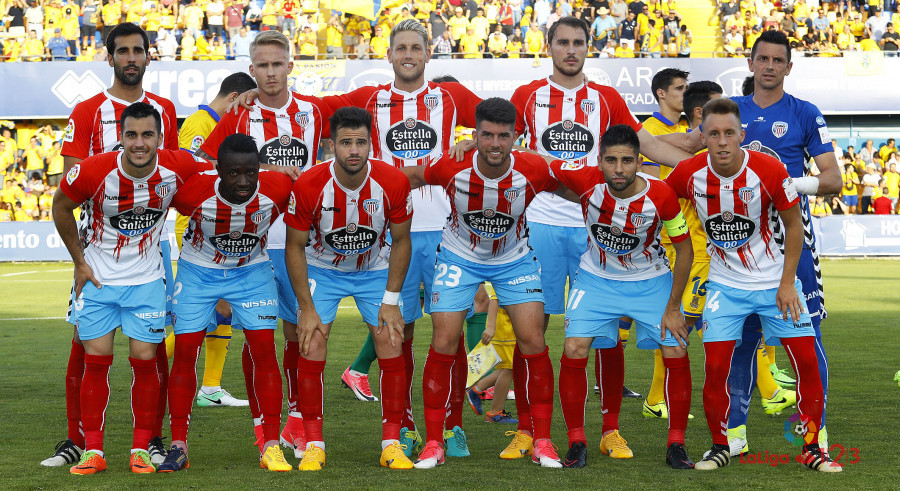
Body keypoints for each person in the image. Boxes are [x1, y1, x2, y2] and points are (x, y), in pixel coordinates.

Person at [504, 16, 694, 460]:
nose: (571, 50)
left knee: (607, 333)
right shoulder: (526, 96)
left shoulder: (605, 98)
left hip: (596, 227)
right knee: (532, 331)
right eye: (563, 42)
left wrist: (692, 163)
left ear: (589, 47)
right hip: (541, 225)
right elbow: (503, 146)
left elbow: (645, 144)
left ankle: (610, 430)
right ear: (548, 45)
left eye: (579, 43)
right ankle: (528, 429)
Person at [320, 19, 482, 458]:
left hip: (448, 231)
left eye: (416, 46)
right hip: (394, 233)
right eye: (401, 47)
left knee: (451, 335)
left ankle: (452, 425)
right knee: (398, 332)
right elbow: (311, 109)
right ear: (389, 55)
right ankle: (406, 425)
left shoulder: (452, 98)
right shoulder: (369, 99)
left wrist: (472, 143)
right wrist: (252, 96)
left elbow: (502, 120)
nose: (408, 54)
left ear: (429, 54)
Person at [666, 97, 840, 472]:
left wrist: (787, 282)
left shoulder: (769, 169)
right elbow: (660, 203)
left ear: (742, 135)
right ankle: (720, 445)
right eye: (714, 134)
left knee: (807, 364)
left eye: (730, 133)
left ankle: (813, 448)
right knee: (716, 368)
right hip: (724, 287)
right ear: (704, 137)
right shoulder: (688, 173)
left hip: (774, 283)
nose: (723, 141)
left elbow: (794, 225)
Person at [41, 22, 179, 470]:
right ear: (110, 57)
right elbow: (72, 181)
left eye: (139, 50)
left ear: (148, 56)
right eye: (123, 51)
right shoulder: (86, 111)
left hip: (152, 245)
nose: (132, 58)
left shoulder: (164, 109)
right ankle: (77, 441)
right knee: (83, 346)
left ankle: (151, 441)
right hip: (97, 245)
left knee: (153, 348)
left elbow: (173, 171)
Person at [403, 98, 563, 469]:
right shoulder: (452, 164)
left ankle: (540, 440)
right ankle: (433, 442)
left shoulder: (534, 168)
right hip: (459, 257)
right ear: (474, 135)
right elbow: (410, 178)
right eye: (487, 135)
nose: (494, 144)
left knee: (533, 340)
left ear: (516, 137)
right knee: (443, 339)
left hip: (514, 260)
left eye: (503, 136)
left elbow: (576, 190)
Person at [197, 30, 333, 460]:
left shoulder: (313, 111)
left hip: (300, 239)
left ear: (290, 66)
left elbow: (356, 131)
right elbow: (205, 161)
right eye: (263, 66)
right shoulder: (238, 116)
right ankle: (265, 428)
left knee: (300, 331)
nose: (271, 72)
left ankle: (296, 417)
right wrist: (267, 165)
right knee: (259, 338)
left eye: (278, 64)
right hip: (252, 241)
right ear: (252, 70)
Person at [51, 103, 201, 475]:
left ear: (160, 138)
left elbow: (228, 168)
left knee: (145, 365)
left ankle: (139, 448)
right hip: (99, 282)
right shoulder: (93, 170)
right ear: (120, 137)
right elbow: (60, 206)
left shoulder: (178, 166)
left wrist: (271, 169)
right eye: (131, 135)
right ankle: (94, 452)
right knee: (95, 365)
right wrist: (79, 261)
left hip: (147, 284)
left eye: (147, 135)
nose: (139, 143)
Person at [553, 124, 694, 470]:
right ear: (599, 160)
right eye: (611, 160)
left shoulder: (660, 195)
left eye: (627, 161)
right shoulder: (586, 181)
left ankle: (676, 443)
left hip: (650, 282)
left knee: (676, 347)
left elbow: (685, 250)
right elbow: (535, 163)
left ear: (639, 161)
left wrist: (674, 307)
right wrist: (468, 148)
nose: (619, 169)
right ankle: (577, 441)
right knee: (573, 348)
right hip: (595, 279)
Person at [283, 106, 414, 471]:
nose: (353, 150)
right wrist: (306, 308)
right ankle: (313, 443)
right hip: (324, 270)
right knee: (311, 341)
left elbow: (402, 241)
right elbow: (294, 246)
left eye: (360, 142)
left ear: (371, 144)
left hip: (374, 269)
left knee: (391, 339)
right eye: (345, 143)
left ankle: (391, 443)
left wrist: (390, 301)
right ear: (331, 145)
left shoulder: (393, 182)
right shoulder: (310, 184)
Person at [160, 133, 293, 473]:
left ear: (260, 169)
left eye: (251, 172)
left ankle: (271, 444)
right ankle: (178, 444)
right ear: (218, 170)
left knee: (264, 351)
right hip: (198, 272)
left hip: (252, 272)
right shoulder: (192, 192)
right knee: (187, 351)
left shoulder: (277, 188)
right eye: (233, 173)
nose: (244, 181)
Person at [164, 72, 259, 410]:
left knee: (224, 312)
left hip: (222, 226)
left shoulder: (224, 123)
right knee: (201, 316)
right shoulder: (199, 123)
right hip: (196, 228)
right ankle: (152, 364)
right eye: (248, 99)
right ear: (235, 96)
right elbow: (193, 173)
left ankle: (211, 387)